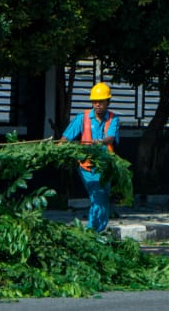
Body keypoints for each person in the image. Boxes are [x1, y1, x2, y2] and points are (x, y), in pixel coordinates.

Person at [60, 81, 120, 233]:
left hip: (106, 166)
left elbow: (111, 138)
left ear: (108, 102)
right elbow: (66, 137)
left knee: (103, 198)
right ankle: (92, 231)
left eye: (100, 101)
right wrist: (58, 149)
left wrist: (99, 141)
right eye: (94, 101)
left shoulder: (113, 119)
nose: (97, 104)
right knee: (97, 195)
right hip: (87, 166)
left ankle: (98, 231)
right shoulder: (83, 117)